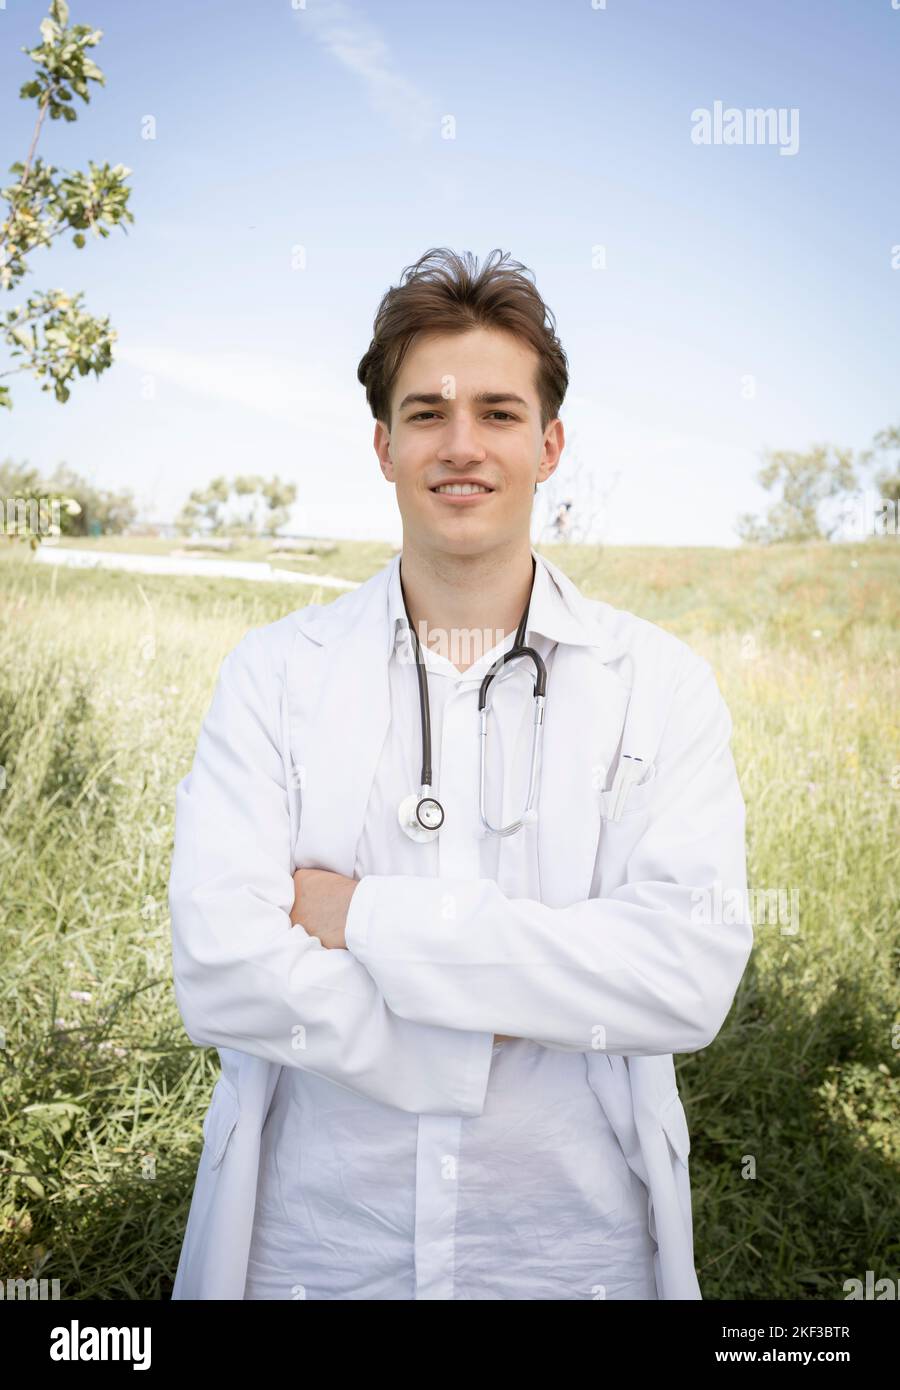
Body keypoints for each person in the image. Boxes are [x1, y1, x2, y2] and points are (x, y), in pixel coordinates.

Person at [168, 247, 753, 1301]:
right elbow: (222, 969)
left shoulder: (659, 687)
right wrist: (508, 1010)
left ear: (550, 444)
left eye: (497, 411)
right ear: (384, 445)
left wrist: (364, 920)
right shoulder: (272, 676)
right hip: (316, 1253)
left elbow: (683, 974)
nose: (462, 445)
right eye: (427, 414)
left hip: (572, 1257)